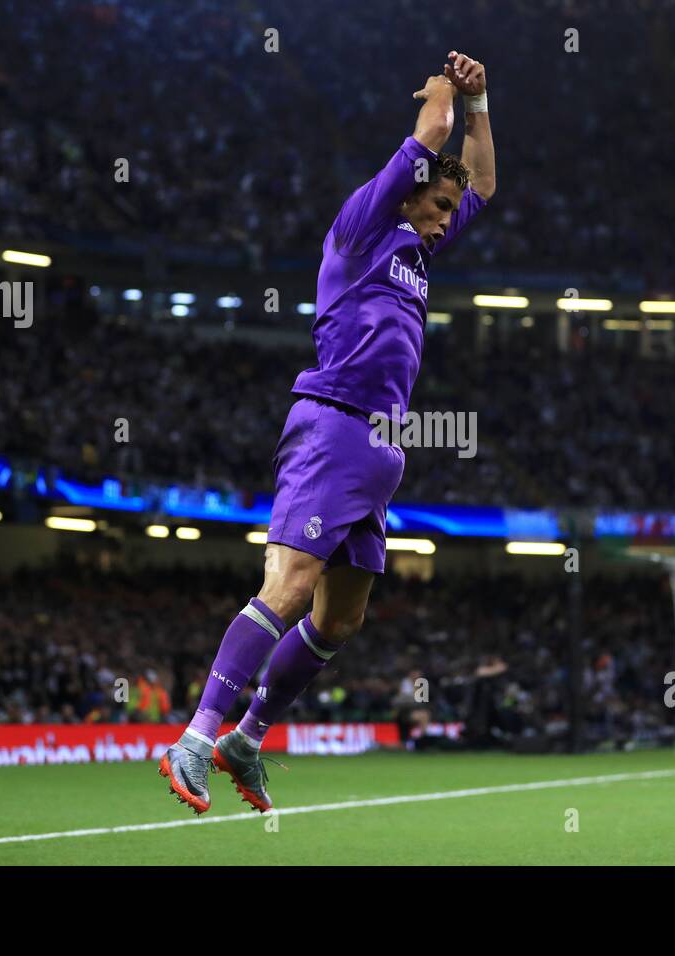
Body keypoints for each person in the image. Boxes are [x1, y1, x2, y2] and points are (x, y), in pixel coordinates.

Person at [159, 51, 496, 814]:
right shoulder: (363, 230)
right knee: (288, 586)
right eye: (437, 205)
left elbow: (483, 181)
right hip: (334, 427)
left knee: (339, 618)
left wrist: (484, 107)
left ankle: (249, 734)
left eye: (448, 210)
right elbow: (435, 128)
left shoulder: (417, 248)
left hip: (381, 451)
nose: (448, 218)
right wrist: (450, 90)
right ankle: (194, 738)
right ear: (409, 193)